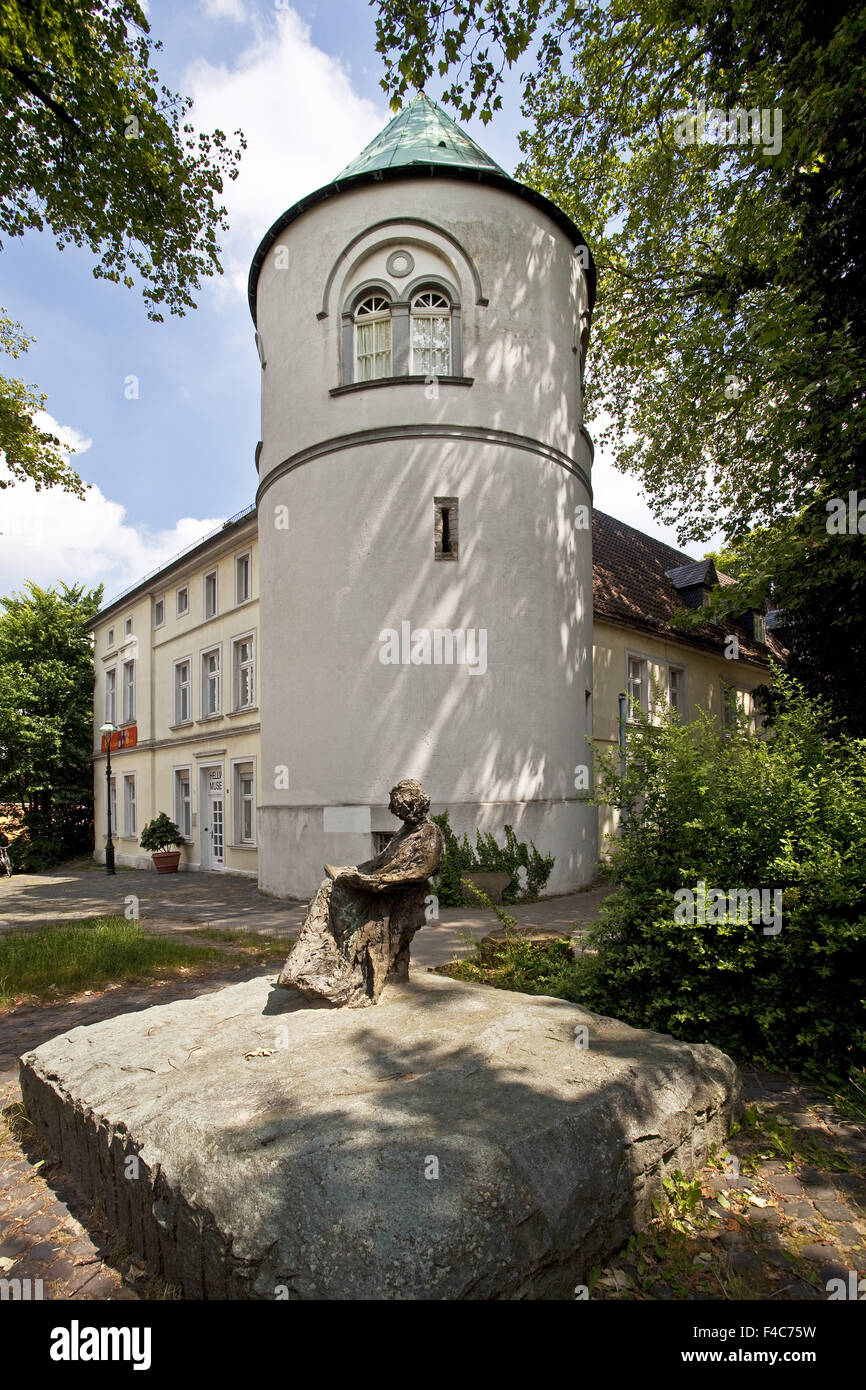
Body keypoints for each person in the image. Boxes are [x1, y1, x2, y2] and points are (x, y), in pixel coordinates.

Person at [277, 778, 443, 1007]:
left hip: (400, 894)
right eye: (398, 810)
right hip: (378, 887)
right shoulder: (403, 832)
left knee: (346, 906)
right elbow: (380, 861)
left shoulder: (430, 833)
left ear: (417, 805)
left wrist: (379, 882)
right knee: (328, 889)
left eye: (404, 809)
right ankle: (309, 965)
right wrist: (353, 872)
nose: (400, 814)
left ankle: (342, 974)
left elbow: (421, 871)